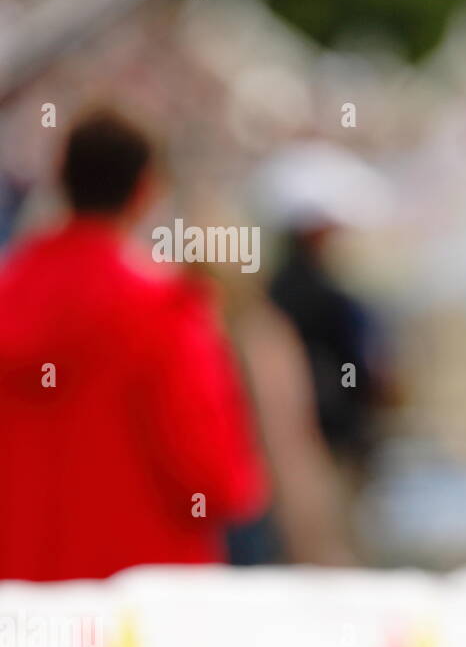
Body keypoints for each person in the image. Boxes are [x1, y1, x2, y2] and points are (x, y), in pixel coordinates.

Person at [0, 107, 268, 582]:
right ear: (146, 189)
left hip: (17, 593)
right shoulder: (165, 310)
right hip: (139, 606)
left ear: (62, 181)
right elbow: (213, 477)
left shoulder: (11, 293)